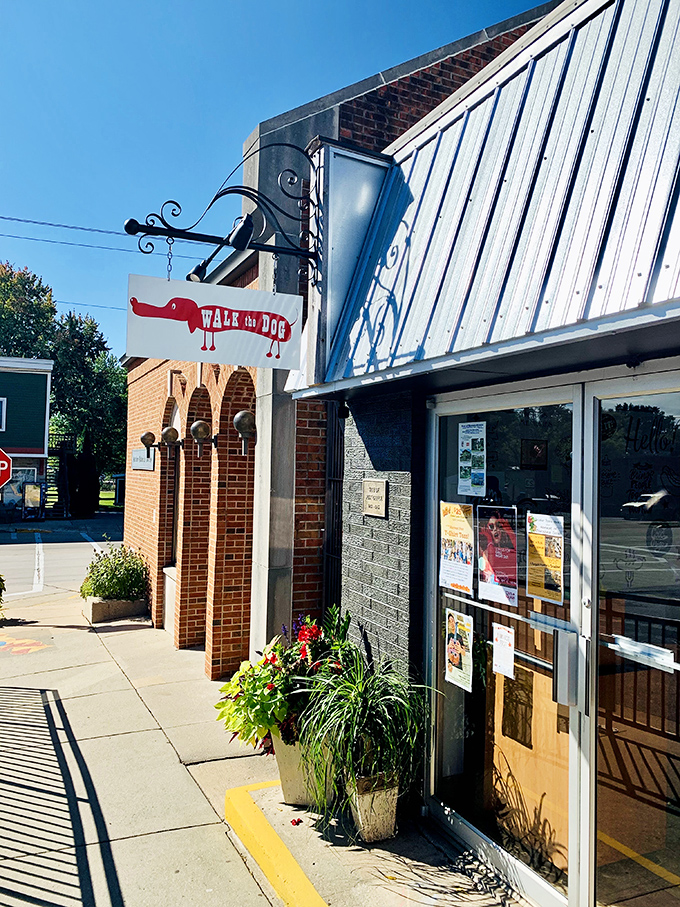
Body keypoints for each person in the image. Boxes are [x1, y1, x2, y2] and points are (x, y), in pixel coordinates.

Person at [479, 510, 517, 587]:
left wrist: (507, 529)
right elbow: (491, 562)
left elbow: (516, 551)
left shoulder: (506, 546)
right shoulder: (486, 547)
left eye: (498, 525)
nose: (495, 529)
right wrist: (489, 538)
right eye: (491, 526)